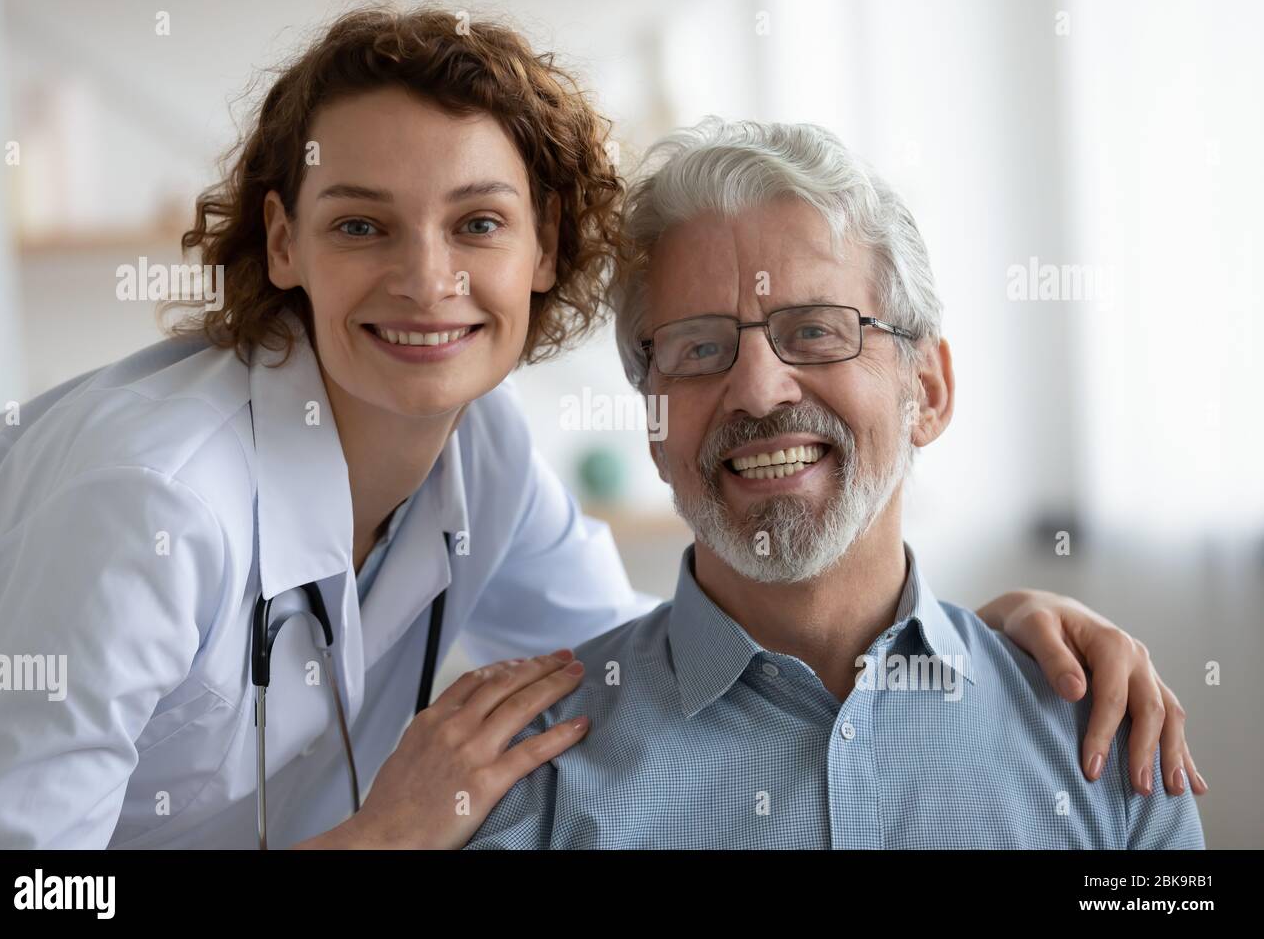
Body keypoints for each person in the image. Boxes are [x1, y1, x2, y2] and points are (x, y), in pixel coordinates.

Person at [0, 8, 1201, 851]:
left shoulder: (481, 452)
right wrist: (379, 842)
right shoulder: (146, 503)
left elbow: (667, 663)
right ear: (282, 239)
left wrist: (954, 649)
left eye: (479, 222)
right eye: (359, 224)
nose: (426, 278)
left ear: (546, 245)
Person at [464, 119, 1205, 849]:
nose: (757, 390)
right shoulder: (529, 779)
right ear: (653, 425)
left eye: (815, 330)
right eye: (700, 347)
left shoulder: (1105, 736)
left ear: (929, 390)